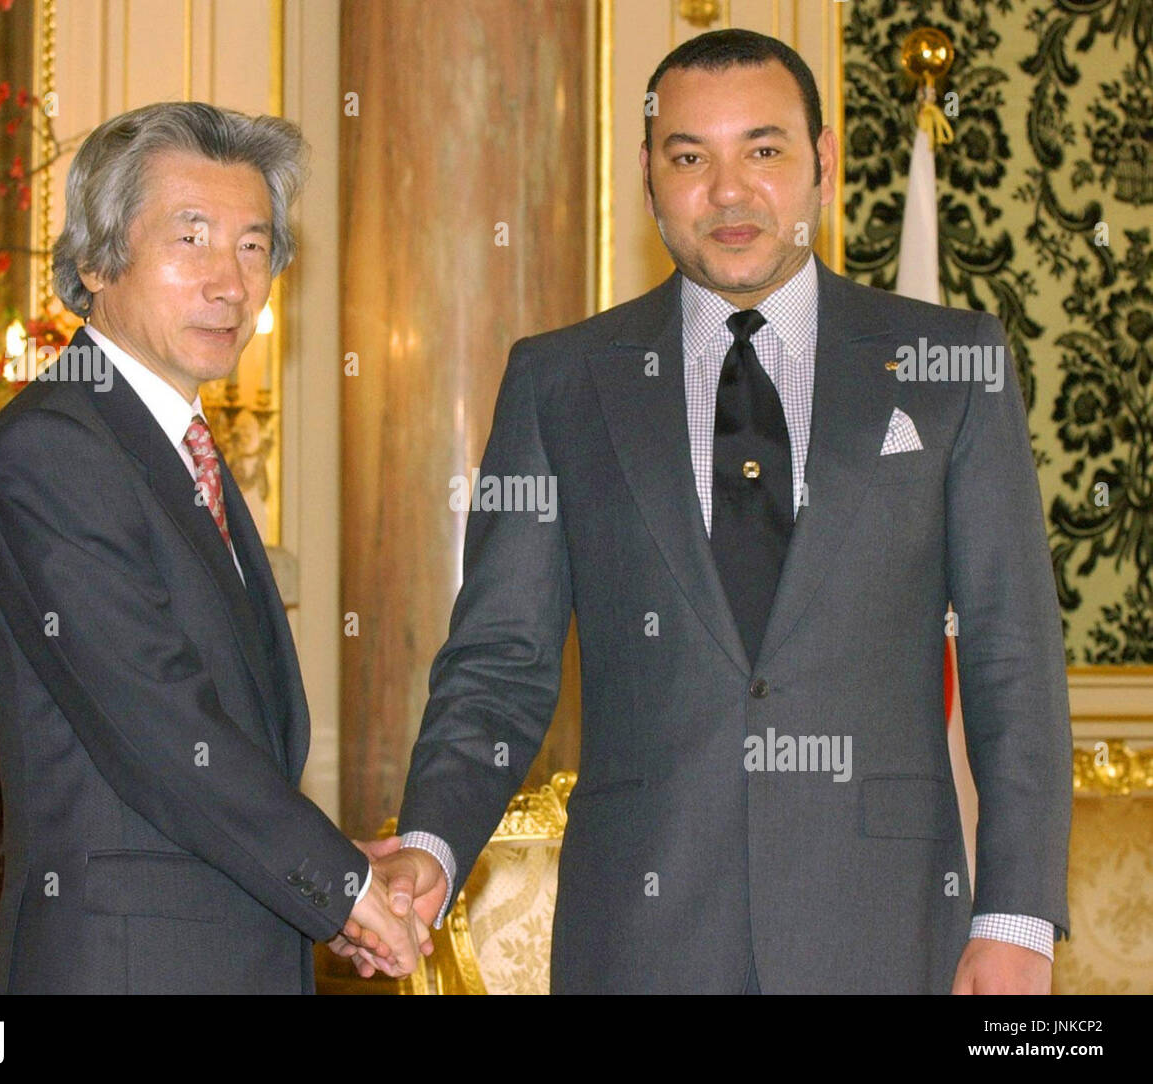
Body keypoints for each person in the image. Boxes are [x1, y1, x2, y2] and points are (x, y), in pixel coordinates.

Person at [346, 30, 1072, 994]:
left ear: (823, 162)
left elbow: (1010, 656)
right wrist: (431, 843)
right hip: (642, 938)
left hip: (888, 931)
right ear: (648, 177)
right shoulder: (561, 382)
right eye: (690, 157)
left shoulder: (954, 368)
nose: (729, 192)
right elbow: (499, 664)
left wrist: (1017, 917)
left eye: (763, 151)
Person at [0, 102, 425, 993]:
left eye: (254, 246)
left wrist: (328, 881)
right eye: (192, 238)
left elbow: (235, 742)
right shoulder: (54, 448)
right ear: (98, 259)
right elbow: (162, 728)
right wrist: (344, 886)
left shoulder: (176, 445)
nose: (231, 282)